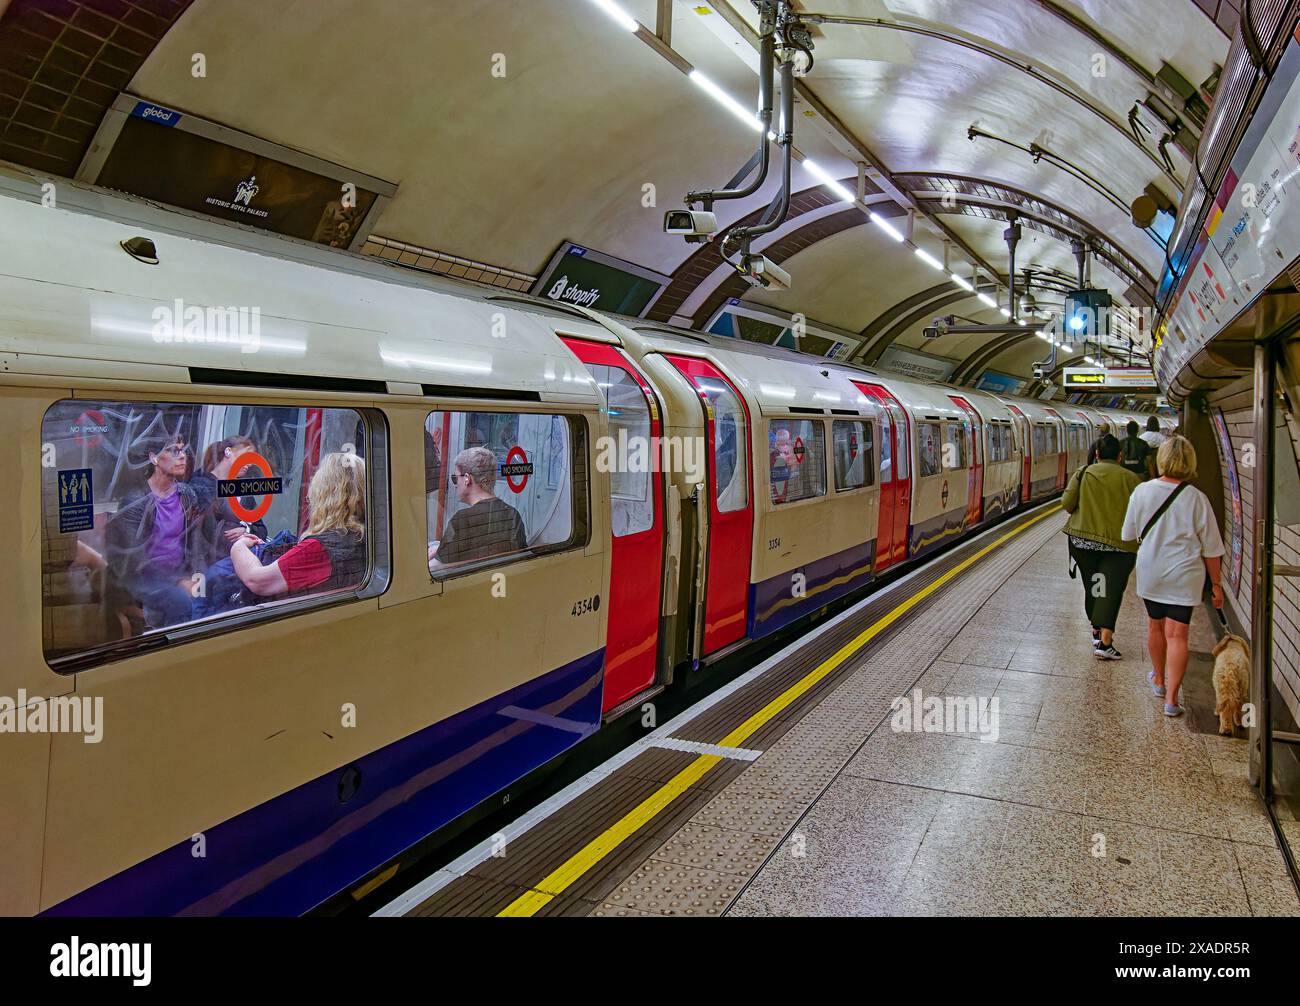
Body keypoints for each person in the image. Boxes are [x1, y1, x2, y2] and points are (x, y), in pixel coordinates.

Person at [1121, 436, 1226, 717]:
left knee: (1155, 627)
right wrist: (1216, 584)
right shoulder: (1197, 499)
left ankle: (1158, 678)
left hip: (1151, 571)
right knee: (1178, 634)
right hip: (1185, 575)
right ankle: (1171, 699)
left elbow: (1128, 534)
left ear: (1161, 460)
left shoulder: (1142, 491)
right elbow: (1212, 549)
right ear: (1190, 463)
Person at [104, 433, 206, 630]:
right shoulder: (135, 500)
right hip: (140, 577)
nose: (183, 456)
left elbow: (195, 542)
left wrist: (199, 575)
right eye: (174, 451)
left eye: (184, 451)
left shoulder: (186, 494)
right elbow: (135, 558)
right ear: (154, 458)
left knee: (215, 584)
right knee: (179, 600)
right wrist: (178, 582)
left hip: (177, 572)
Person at [229, 453, 367, 597]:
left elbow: (257, 581)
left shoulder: (320, 547)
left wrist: (239, 546)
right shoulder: (364, 537)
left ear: (325, 494)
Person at [1061, 434, 1142, 659]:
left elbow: (1067, 504)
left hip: (1083, 543)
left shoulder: (1083, 473)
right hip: (1119, 545)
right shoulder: (1131, 479)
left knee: (1095, 585)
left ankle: (1097, 629)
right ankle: (1104, 641)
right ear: (1120, 455)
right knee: (1110, 589)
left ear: (1097, 454)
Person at [428, 446, 526, 569]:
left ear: (467, 479)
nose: (455, 485)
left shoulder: (463, 519)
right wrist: (441, 547)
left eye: (455, 478)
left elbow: (434, 568)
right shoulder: (512, 515)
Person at [191, 434, 268, 566]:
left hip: (238, 566)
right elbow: (202, 531)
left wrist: (246, 530)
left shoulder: (244, 490)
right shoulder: (200, 485)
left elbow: (261, 529)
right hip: (208, 563)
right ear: (228, 452)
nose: (249, 463)